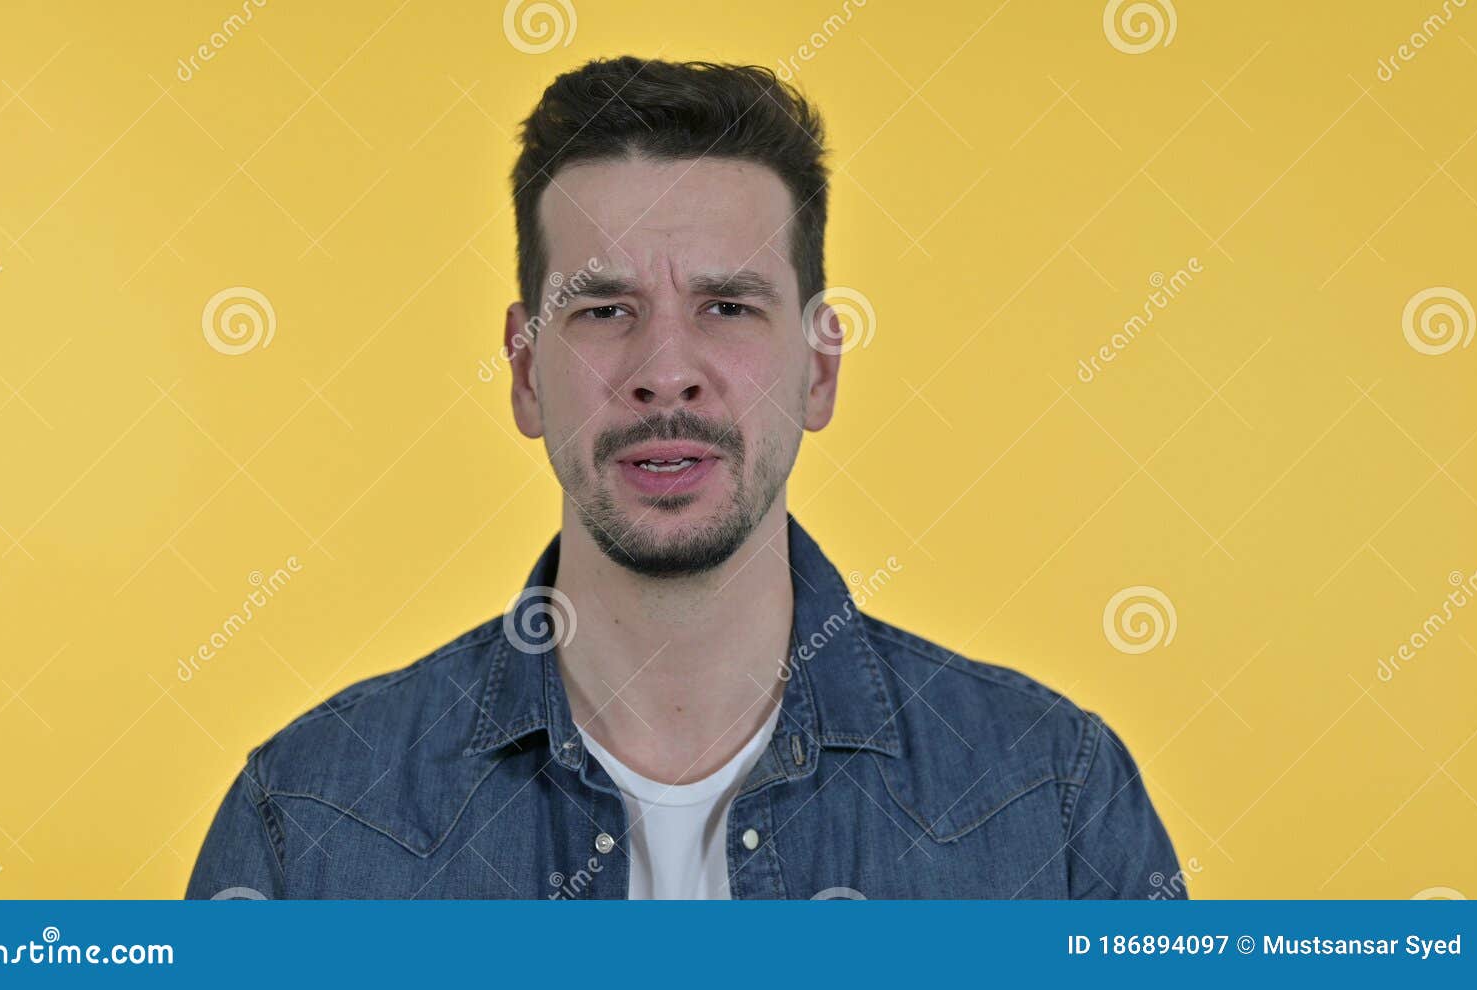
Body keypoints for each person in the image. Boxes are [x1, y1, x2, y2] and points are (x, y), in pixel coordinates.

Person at [186, 55, 1182, 900]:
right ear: (527, 371)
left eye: (727, 307)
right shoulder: (307, 822)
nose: (666, 370)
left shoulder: (1053, 802)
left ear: (819, 368)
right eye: (605, 310)